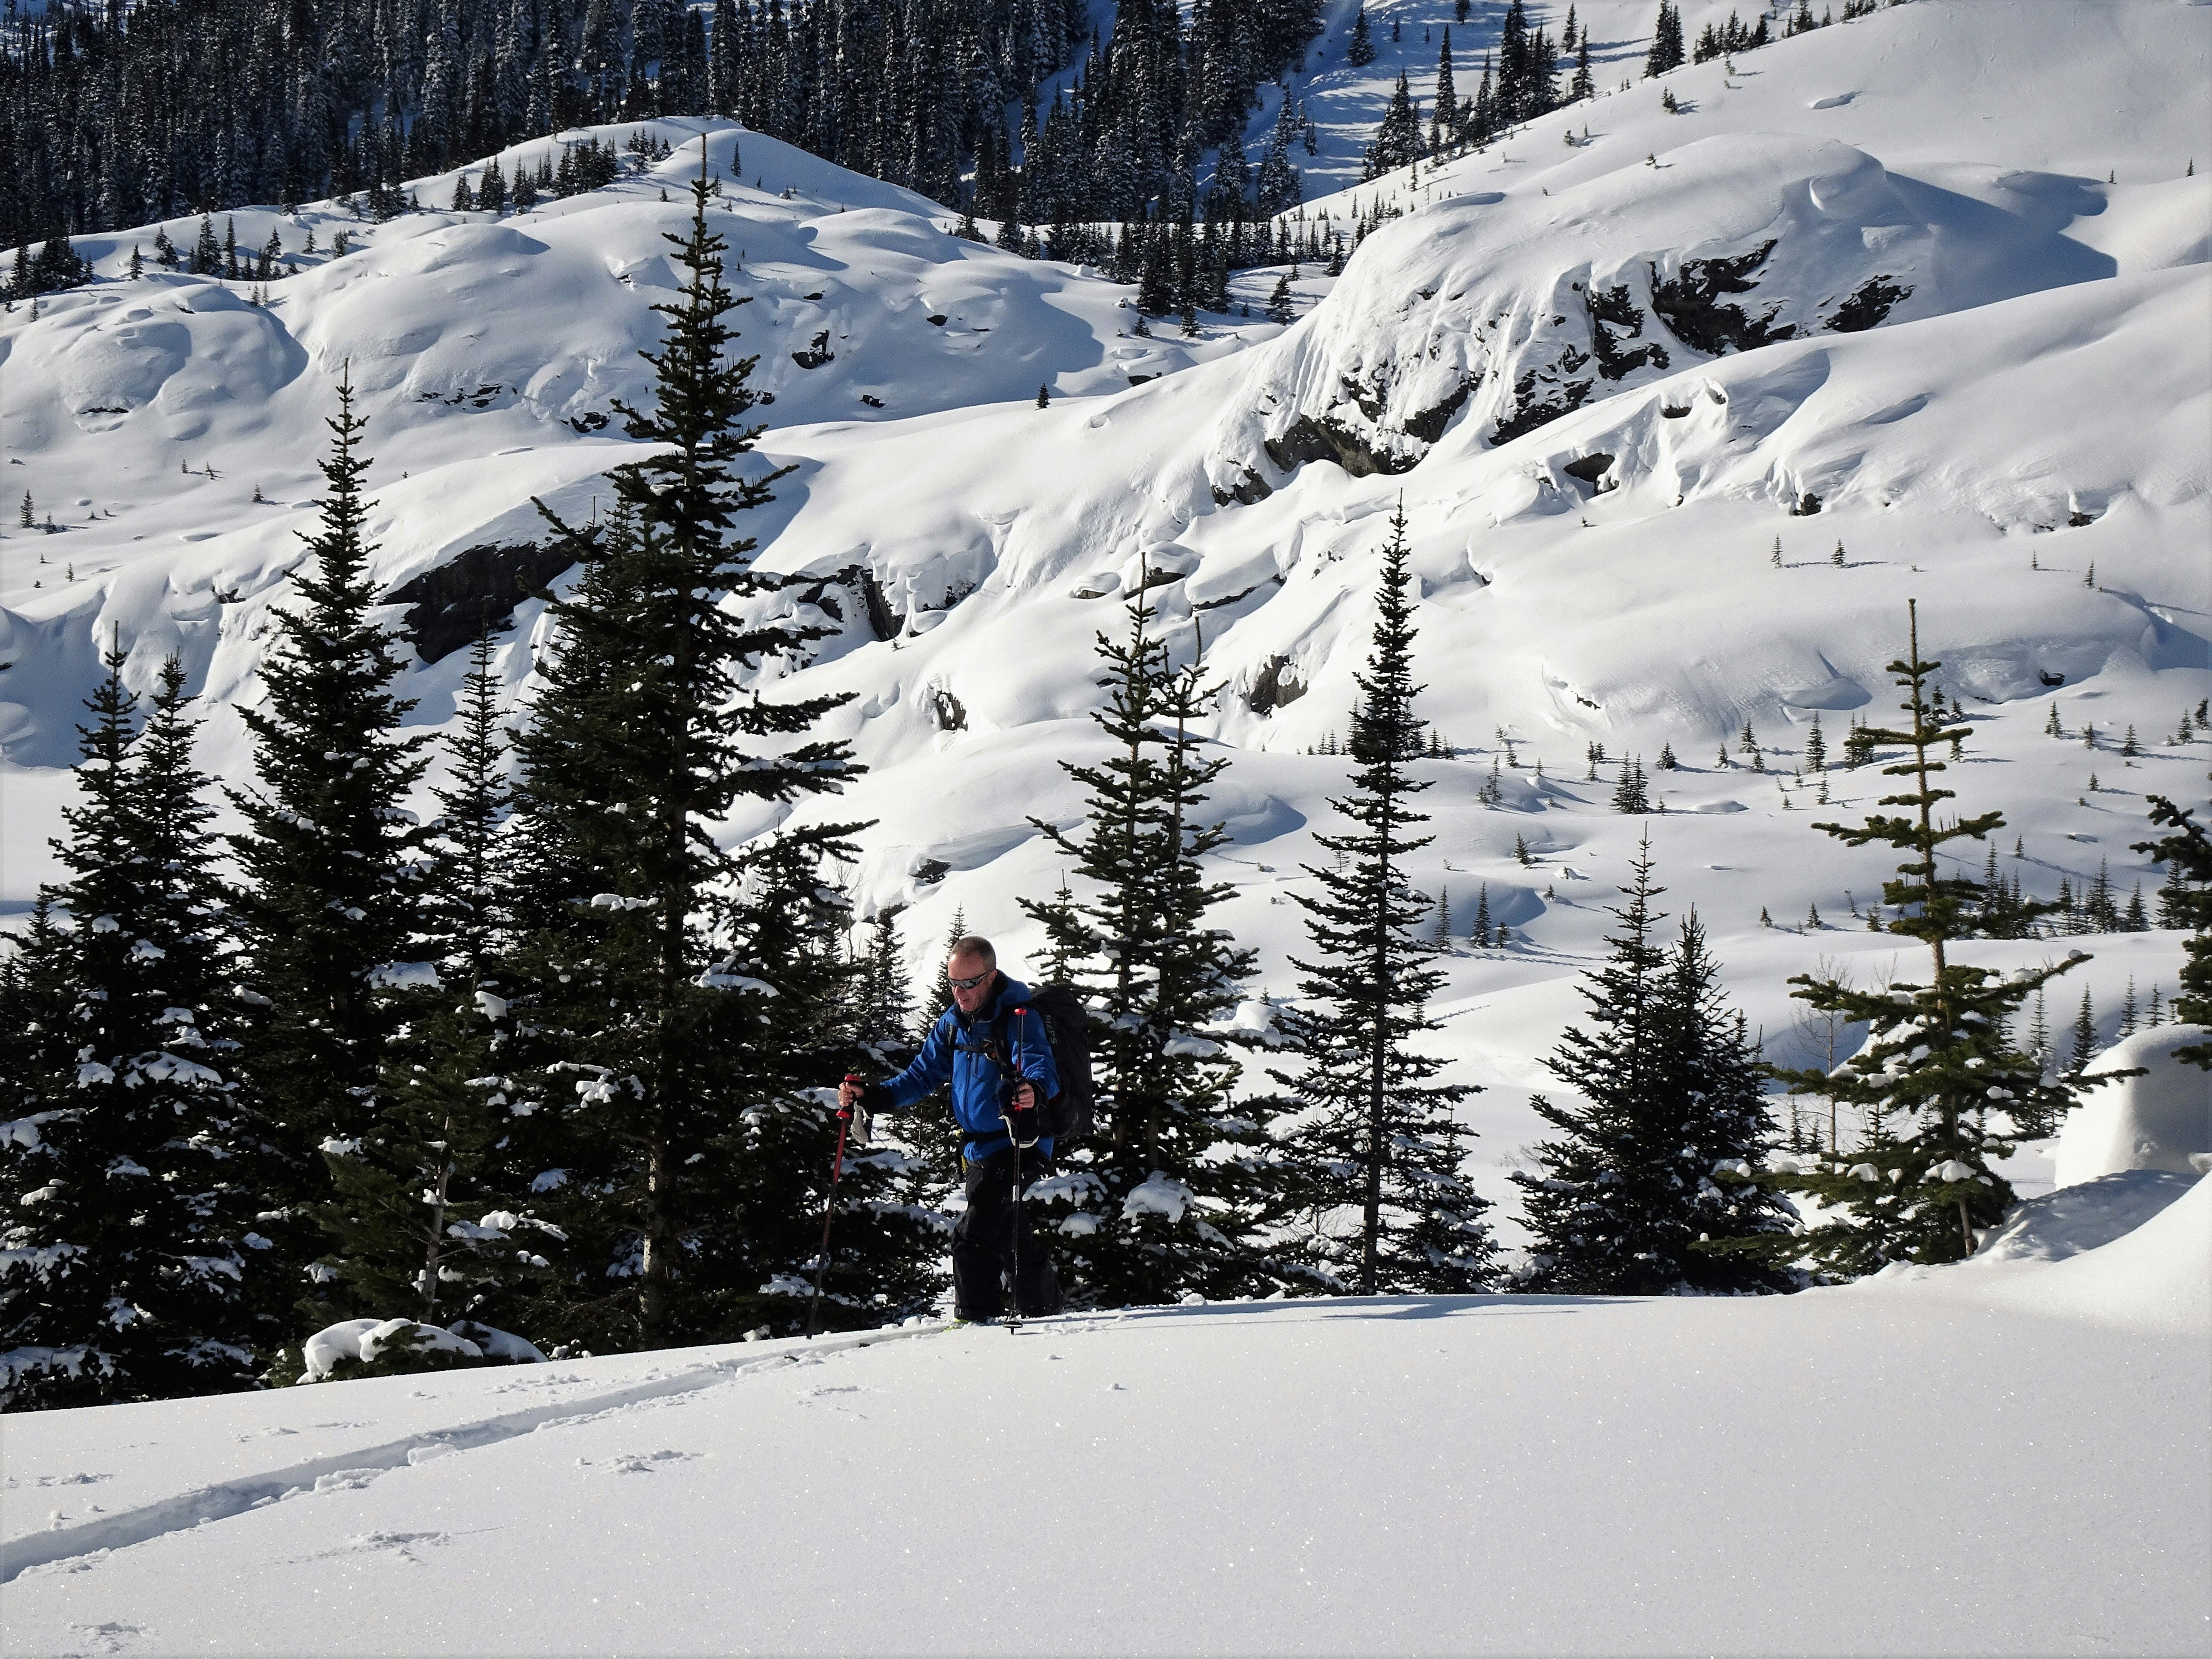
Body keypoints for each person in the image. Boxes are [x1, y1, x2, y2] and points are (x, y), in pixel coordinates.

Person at [839, 934, 1064, 1321]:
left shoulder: (1018, 1018)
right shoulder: (953, 1024)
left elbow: (1038, 1063)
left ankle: (976, 1321)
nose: (960, 993)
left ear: (990, 977)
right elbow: (921, 1075)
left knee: (972, 1236)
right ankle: (1044, 1309)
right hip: (978, 1149)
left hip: (1018, 1142)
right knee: (1008, 1231)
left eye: (969, 983)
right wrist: (874, 1097)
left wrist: (1033, 1090)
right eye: (953, 983)